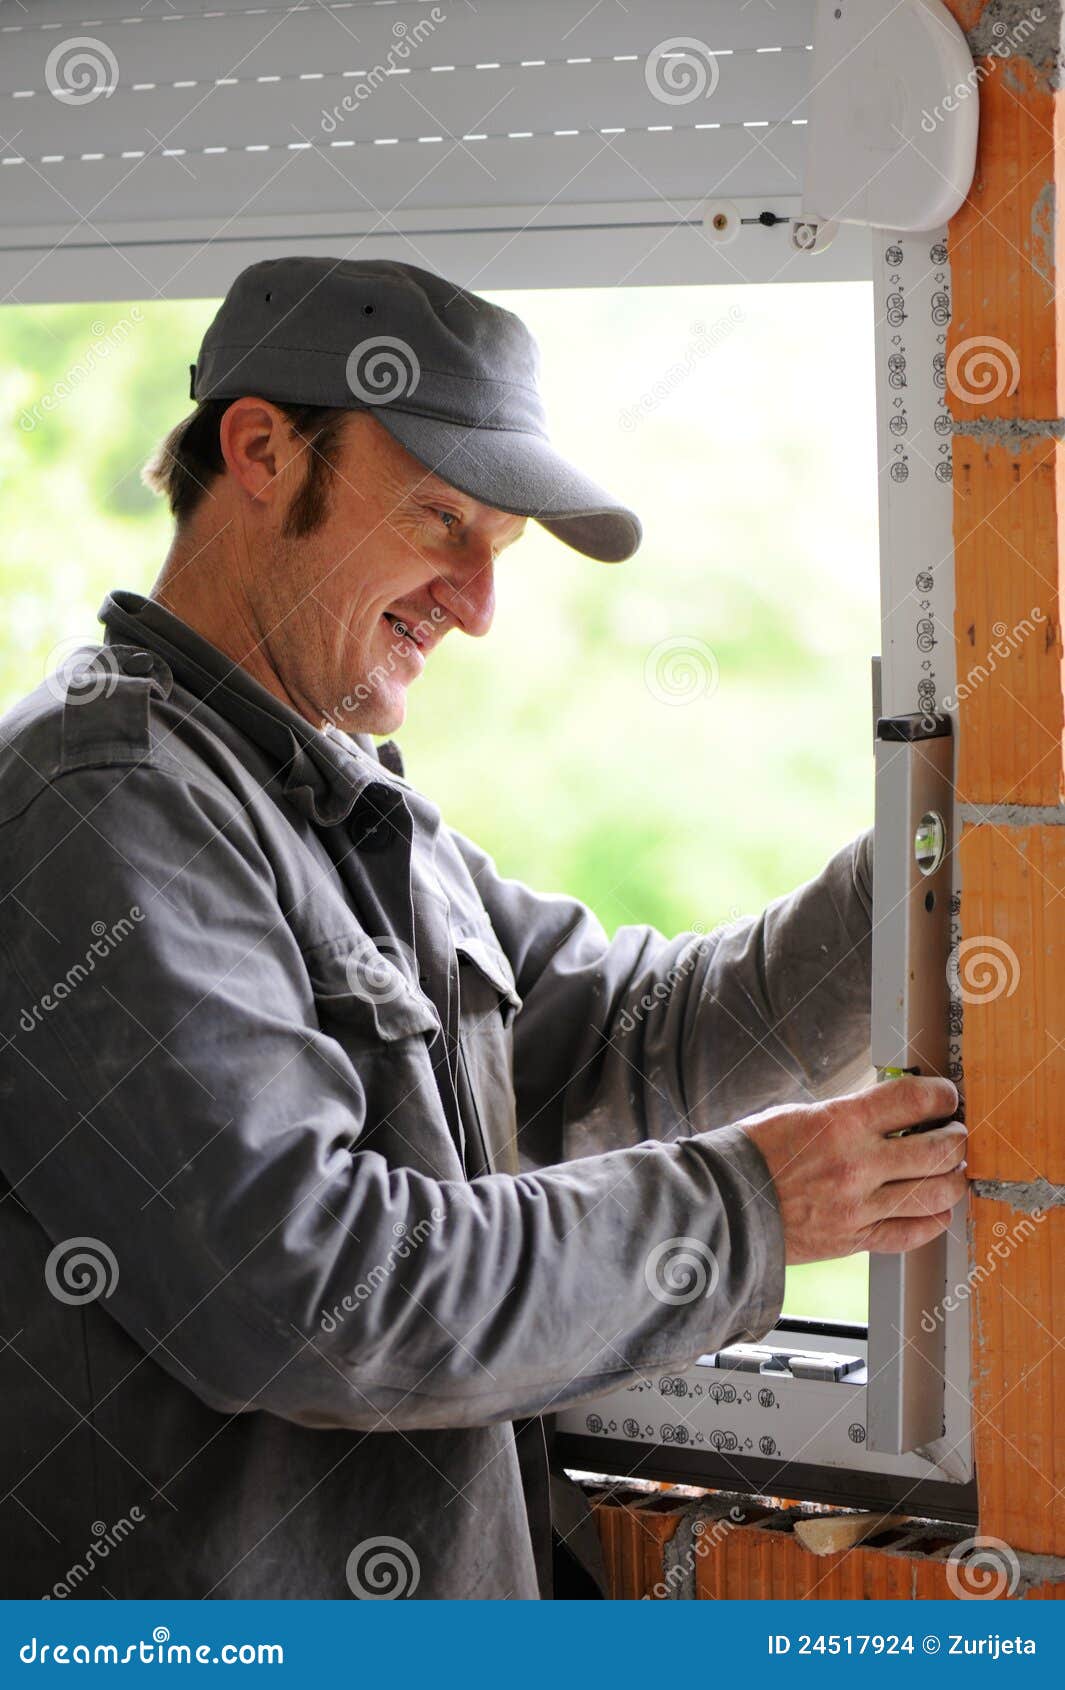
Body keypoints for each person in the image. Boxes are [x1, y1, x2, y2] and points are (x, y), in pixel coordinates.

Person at [0, 257, 966, 1600]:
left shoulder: (344, 805)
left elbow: (651, 1038)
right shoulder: (101, 806)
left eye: (496, 548)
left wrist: (961, 839)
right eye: (438, 518)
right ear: (263, 451)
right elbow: (319, 1292)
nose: (476, 602)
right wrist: (751, 1207)